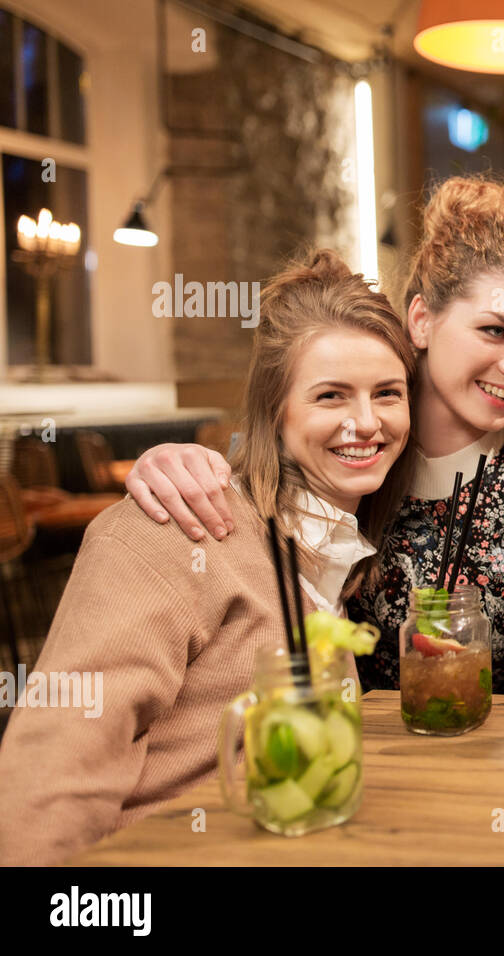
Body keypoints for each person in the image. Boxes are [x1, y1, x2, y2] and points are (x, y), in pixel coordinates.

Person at [0, 251, 415, 864]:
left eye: (388, 393)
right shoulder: (173, 528)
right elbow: (46, 784)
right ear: (275, 412)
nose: (366, 421)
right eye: (330, 395)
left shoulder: (340, 555)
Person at [121, 177, 504, 696]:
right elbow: (259, 478)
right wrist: (172, 460)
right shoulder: (354, 462)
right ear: (422, 320)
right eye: (495, 330)